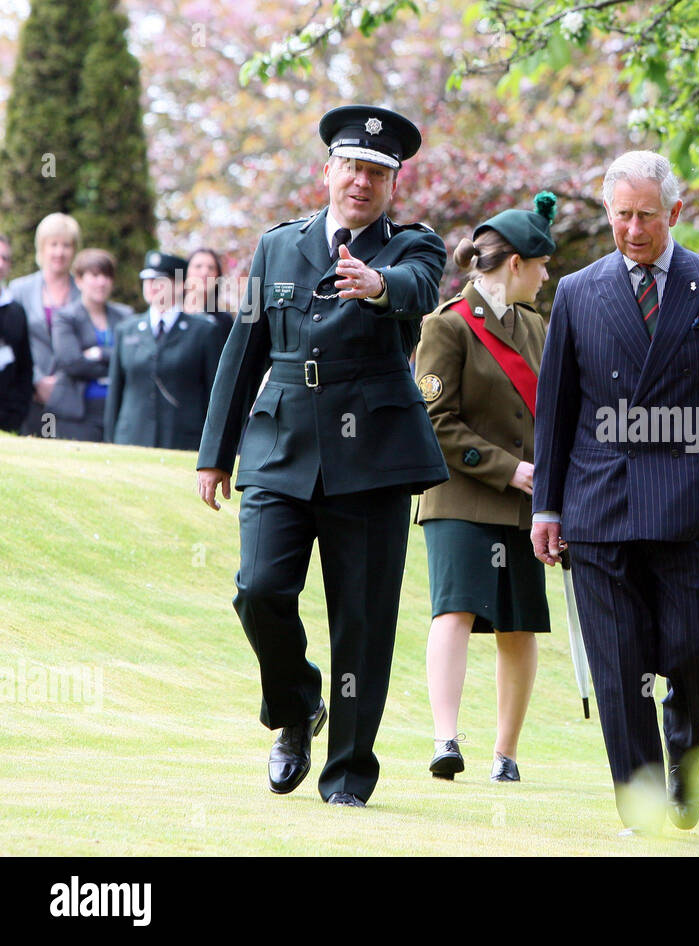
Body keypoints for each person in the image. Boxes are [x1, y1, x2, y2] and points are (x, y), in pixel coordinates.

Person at [196, 105, 448, 809]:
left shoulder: (412, 248)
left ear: (392, 185)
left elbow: (420, 291)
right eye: (352, 168)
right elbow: (242, 348)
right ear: (328, 171)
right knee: (259, 589)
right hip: (279, 444)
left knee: (362, 623)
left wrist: (379, 287)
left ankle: (348, 777)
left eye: (377, 172)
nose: (361, 182)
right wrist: (214, 453)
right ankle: (297, 704)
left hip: (371, 455)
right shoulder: (279, 245)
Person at [530, 150, 699, 834]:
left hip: (685, 501)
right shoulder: (579, 292)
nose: (632, 229)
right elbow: (555, 408)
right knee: (618, 665)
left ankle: (687, 754)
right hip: (598, 500)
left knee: (689, 653)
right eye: (620, 216)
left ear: (673, 211)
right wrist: (546, 507)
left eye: (645, 215)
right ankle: (638, 804)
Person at [414, 193, 555, 782]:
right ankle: (446, 739)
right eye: (542, 264)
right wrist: (508, 469)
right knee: (457, 610)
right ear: (516, 264)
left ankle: (507, 755)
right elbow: (435, 420)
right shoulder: (445, 326)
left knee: (519, 624)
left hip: (524, 506)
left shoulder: (538, 329)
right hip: (462, 496)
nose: (548, 276)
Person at [105, 250, 223, 450]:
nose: (151, 286)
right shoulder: (126, 330)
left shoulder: (203, 331)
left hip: (183, 443)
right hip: (131, 441)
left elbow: (213, 394)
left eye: (160, 280)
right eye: (147, 279)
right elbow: (116, 392)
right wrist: (110, 442)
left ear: (179, 285)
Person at [49, 249, 132, 442]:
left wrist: (99, 353)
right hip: (78, 412)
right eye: (94, 275)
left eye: (107, 275)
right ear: (78, 280)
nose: (101, 282)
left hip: (117, 409)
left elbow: (132, 358)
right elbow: (71, 362)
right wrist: (114, 363)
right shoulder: (65, 317)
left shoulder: (125, 316)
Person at [8, 213, 81, 435]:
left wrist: (60, 384)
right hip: (30, 394)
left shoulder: (84, 292)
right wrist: (37, 380)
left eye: (66, 245)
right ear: (42, 248)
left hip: (72, 394)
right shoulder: (19, 289)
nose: (59, 252)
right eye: (54, 244)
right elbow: (13, 342)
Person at [0, 234, 34, 433]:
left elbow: (24, 364)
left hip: (8, 416)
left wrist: (18, 410)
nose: (1, 263)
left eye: (5, 258)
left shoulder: (16, 311)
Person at [184, 248, 234, 345]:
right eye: (198, 266)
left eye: (211, 268)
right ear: (186, 271)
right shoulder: (171, 314)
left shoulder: (224, 321)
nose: (205, 272)